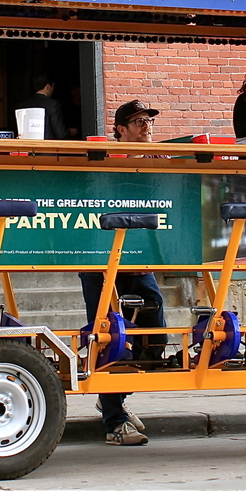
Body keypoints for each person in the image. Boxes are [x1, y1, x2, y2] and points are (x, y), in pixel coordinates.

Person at [79, 99, 168, 446]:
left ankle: (114, 395)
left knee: (155, 330)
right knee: (107, 335)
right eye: (138, 122)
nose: (146, 127)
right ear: (120, 130)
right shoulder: (107, 159)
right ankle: (114, 422)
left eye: (148, 121)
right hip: (100, 259)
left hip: (138, 258)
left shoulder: (156, 159)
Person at [15, 73, 69, 139]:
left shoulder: (23, 105)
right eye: (53, 87)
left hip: (27, 146)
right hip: (47, 147)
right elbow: (60, 134)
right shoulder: (53, 104)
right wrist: (69, 132)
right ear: (48, 87)